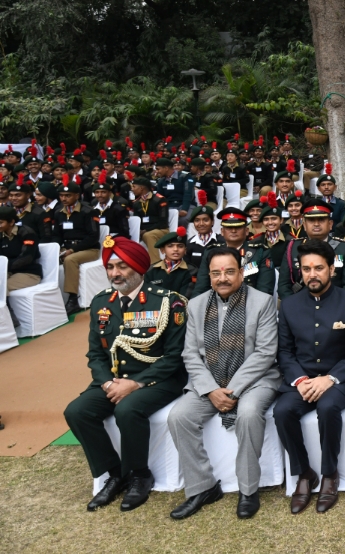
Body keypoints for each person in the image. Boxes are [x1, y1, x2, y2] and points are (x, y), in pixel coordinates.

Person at [63, 236, 187, 512]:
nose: (115, 273)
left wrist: (135, 383)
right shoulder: (100, 303)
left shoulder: (168, 302)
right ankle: (113, 474)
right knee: (77, 411)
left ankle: (139, 475)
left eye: (122, 266)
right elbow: (95, 354)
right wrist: (107, 382)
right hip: (113, 379)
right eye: (110, 267)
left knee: (127, 410)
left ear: (139, 268)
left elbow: (175, 356)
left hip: (158, 378)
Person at [167, 247, 281, 520]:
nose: (223, 278)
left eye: (230, 272)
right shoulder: (196, 304)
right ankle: (202, 487)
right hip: (210, 381)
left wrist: (232, 390)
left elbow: (265, 353)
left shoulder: (262, 301)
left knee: (249, 413)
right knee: (178, 416)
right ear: (209, 275)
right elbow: (190, 354)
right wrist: (210, 390)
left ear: (241, 273)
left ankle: (248, 490)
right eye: (216, 273)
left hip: (255, 380)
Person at [274, 240, 345, 514]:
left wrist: (330, 379)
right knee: (282, 411)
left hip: (342, 380)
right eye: (306, 269)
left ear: (332, 269)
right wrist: (300, 380)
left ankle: (329, 474)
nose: (312, 274)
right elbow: (285, 351)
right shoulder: (289, 305)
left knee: (327, 408)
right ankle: (304, 473)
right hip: (301, 378)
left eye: (318, 268)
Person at [279, 198, 345, 300]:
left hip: (335, 306)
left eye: (321, 220)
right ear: (304, 225)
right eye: (311, 220)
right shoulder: (293, 247)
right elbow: (284, 285)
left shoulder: (344, 248)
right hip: (300, 306)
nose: (316, 224)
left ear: (330, 224)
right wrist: (295, 307)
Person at [192, 208, 275, 297]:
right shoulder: (211, 252)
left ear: (247, 231)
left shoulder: (260, 252)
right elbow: (201, 288)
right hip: (216, 304)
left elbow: (265, 290)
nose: (233, 231)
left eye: (238, 227)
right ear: (222, 232)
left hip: (250, 303)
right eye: (228, 228)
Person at [54, 178, 101, 314]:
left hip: (88, 249)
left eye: (67, 195)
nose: (64, 198)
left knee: (70, 259)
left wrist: (73, 250)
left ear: (77, 196)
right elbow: (57, 235)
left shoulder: (88, 211)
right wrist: (57, 248)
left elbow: (93, 237)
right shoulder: (58, 213)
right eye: (62, 195)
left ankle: (73, 299)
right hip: (67, 248)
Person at [129, 176, 171, 265]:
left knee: (148, 235)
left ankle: (156, 263)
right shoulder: (136, 203)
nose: (132, 189)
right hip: (144, 231)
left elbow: (163, 222)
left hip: (161, 230)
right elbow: (137, 221)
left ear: (141, 188)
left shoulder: (159, 199)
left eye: (134, 187)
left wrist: (146, 230)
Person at [145, 228, 193, 297]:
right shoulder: (151, 270)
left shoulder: (191, 271)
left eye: (180, 246)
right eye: (170, 246)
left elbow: (186, 296)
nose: (176, 249)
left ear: (185, 250)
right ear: (162, 250)